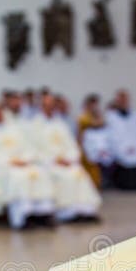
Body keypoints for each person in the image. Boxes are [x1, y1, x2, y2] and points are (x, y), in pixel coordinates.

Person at [0, 102, 55, 228]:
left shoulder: (12, 129)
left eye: (1, 112)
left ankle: (42, 214)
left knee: (39, 172)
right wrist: (9, 162)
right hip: (1, 167)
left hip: (20, 164)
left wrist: (24, 159)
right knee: (17, 177)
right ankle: (20, 219)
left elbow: (27, 147)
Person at [27, 92, 102, 222]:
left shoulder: (60, 124)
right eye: (46, 105)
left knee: (78, 173)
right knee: (63, 176)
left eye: (52, 105)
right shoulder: (34, 125)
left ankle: (83, 210)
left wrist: (70, 159)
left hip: (66, 162)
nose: (50, 108)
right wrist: (54, 160)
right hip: (49, 163)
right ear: (41, 106)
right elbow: (33, 149)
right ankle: (64, 213)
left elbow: (71, 145)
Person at [105, 89, 136, 190]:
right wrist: (124, 147)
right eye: (121, 99)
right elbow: (111, 137)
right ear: (117, 101)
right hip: (121, 146)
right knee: (129, 157)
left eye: (125, 99)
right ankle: (128, 184)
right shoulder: (110, 117)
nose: (124, 102)